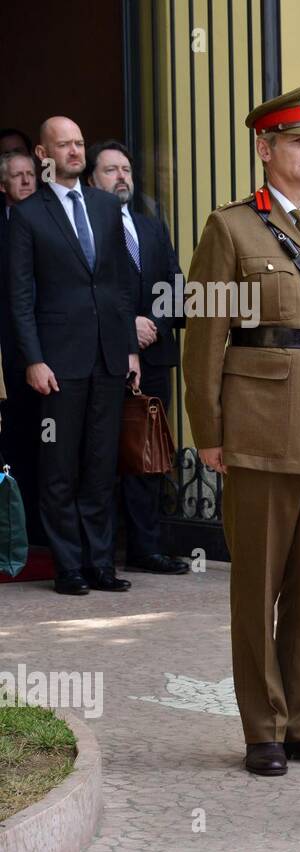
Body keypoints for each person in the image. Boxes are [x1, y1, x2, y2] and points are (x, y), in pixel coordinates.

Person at [182, 86, 300, 776]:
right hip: (259, 426)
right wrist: (210, 429)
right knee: (258, 586)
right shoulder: (231, 228)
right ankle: (264, 726)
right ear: (266, 149)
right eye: (298, 142)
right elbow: (206, 336)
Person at [7, 117, 140, 595]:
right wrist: (33, 359)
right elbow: (20, 296)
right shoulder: (28, 215)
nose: (75, 151)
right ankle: (68, 567)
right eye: (64, 145)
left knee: (101, 466)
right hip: (58, 362)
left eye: (80, 143)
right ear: (43, 155)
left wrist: (129, 349)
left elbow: (120, 286)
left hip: (108, 357)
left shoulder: (106, 206)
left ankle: (100, 564)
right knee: (59, 467)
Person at [85, 139, 188, 576]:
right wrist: (128, 328)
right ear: (92, 180)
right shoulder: (84, 228)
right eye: (110, 170)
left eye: (126, 169)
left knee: (148, 453)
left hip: (155, 357)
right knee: (103, 454)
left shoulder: (151, 226)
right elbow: (87, 293)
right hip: (105, 357)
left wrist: (155, 326)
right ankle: (100, 556)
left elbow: (175, 286)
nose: (121, 177)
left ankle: (146, 549)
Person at [0, 149, 42, 543]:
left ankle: (43, 529)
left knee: (49, 442)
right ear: (3, 185)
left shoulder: (50, 220)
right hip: (9, 352)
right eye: (18, 175)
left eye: (31, 173)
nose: (27, 181)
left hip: (49, 351)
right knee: (14, 439)